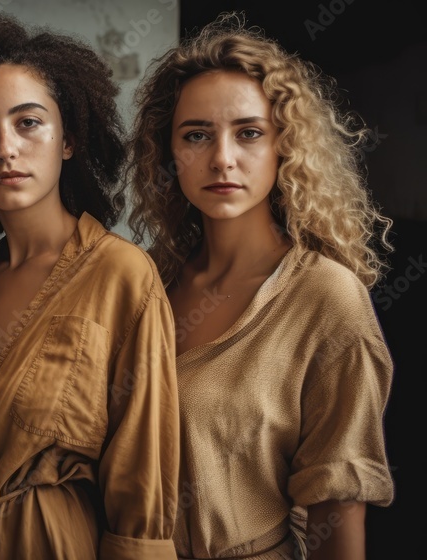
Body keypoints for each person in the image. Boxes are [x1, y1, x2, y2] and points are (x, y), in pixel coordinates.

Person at [0, 12, 179, 559]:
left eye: (27, 122)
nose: (4, 148)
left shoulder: (122, 277)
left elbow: (141, 485)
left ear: (70, 141)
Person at [127, 13, 395, 560]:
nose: (222, 158)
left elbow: (337, 505)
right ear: (168, 153)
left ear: (284, 146)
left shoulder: (326, 297)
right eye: (196, 135)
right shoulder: (145, 280)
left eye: (248, 133)